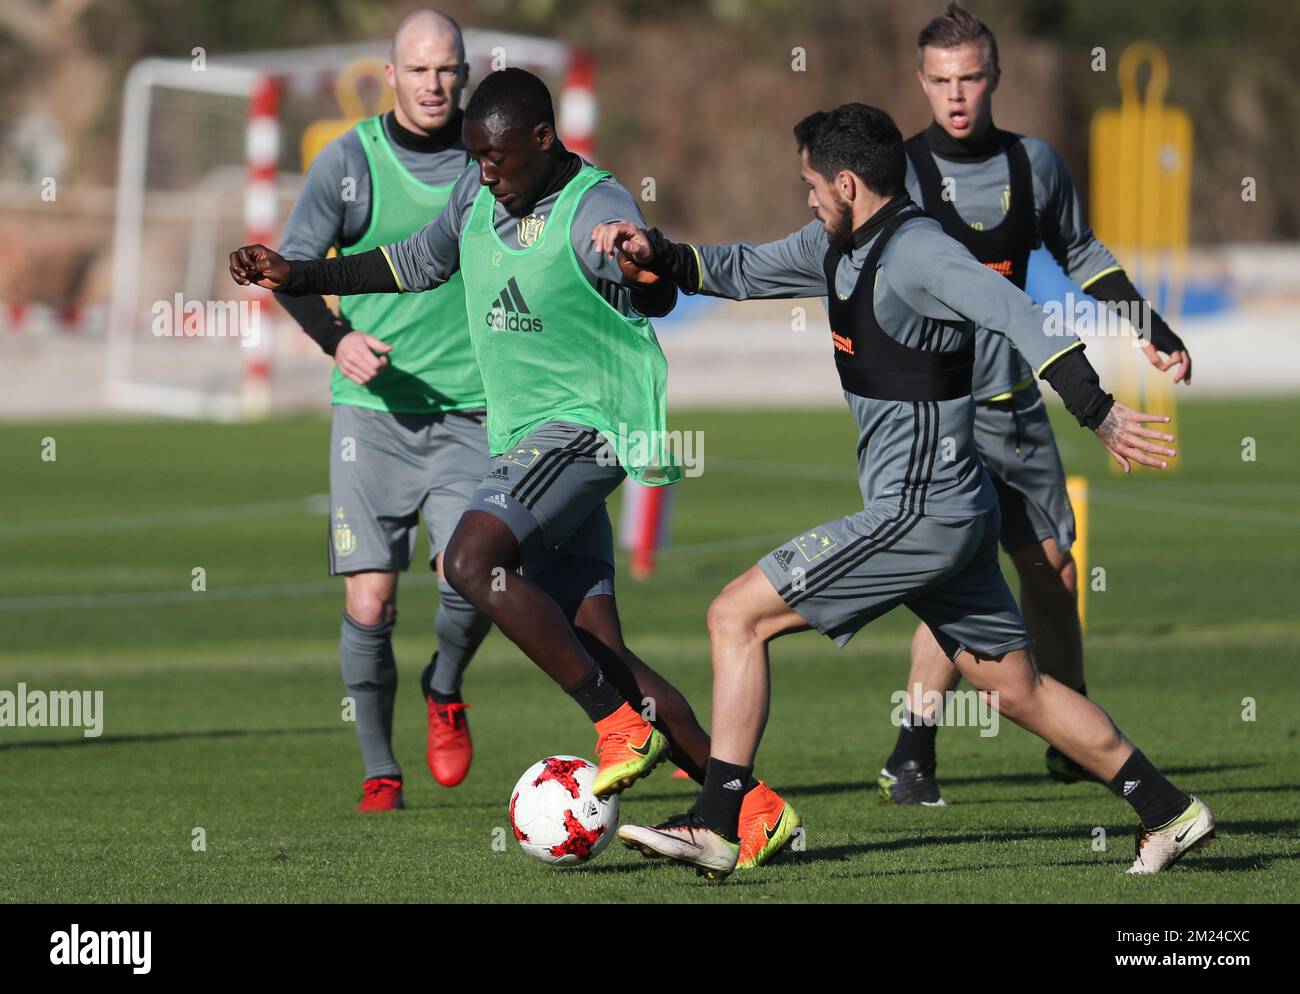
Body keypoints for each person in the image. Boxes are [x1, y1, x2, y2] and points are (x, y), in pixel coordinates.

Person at [601, 102, 1213, 878]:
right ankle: (1170, 811)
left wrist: (1098, 411)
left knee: (735, 616)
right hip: (948, 515)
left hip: (918, 515)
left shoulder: (920, 252)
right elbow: (741, 269)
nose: (807, 199)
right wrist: (654, 250)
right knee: (1017, 689)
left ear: (848, 184)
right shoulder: (835, 245)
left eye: (811, 186)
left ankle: (718, 822)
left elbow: (1020, 313)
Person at [232, 68, 800, 869]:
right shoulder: (477, 193)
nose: (482, 172)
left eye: (495, 157)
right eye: (473, 157)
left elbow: (649, 290)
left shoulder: (597, 208)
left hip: (584, 434)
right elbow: (409, 264)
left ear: (542, 139)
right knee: (602, 645)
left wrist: (647, 272)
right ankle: (750, 806)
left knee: (469, 560)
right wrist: (304, 275)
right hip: (528, 444)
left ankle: (615, 725)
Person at [876, 1, 1194, 804]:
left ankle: (1072, 737)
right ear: (921, 81)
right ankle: (911, 749)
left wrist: (1147, 325)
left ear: (994, 79)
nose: (956, 95)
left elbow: (1078, 249)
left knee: (1050, 566)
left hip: (1020, 400)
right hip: (940, 412)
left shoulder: (1035, 164)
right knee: (956, 565)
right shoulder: (901, 173)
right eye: (941, 80)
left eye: (971, 78)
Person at [274, 10, 490, 812]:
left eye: (448, 70)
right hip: (371, 418)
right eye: (419, 70)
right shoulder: (347, 162)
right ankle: (379, 770)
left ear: (464, 74)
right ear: (390, 76)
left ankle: (446, 684)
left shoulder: (489, 158)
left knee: (470, 581)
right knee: (370, 600)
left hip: (472, 413)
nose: (434, 85)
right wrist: (338, 339)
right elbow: (289, 272)